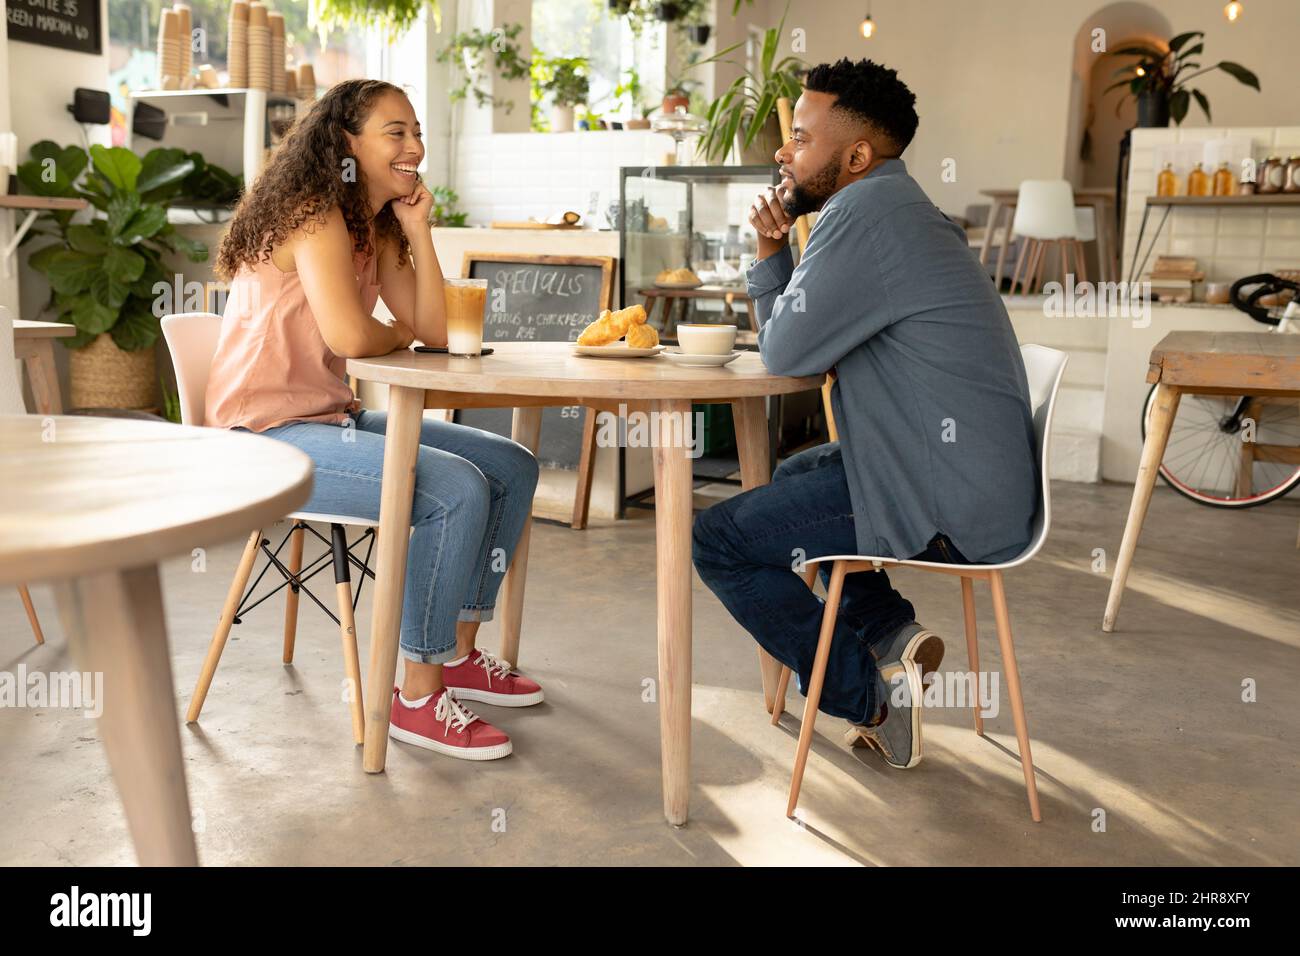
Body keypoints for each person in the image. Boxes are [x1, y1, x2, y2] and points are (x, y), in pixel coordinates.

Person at [692, 59, 1038, 769]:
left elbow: (789, 352)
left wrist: (766, 249)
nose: (784, 152)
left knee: (720, 541)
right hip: (970, 481)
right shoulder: (896, 206)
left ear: (856, 156)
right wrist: (779, 250)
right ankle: (888, 632)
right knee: (800, 470)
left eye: (799, 137)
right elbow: (806, 346)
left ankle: (874, 700)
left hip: (950, 502)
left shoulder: (862, 213)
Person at [206, 79, 541, 762]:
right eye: (396, 132)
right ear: (346, 143)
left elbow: (434, 331)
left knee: (509, 465)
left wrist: (419, 230)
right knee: (455, 490)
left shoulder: (376, 225)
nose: (415, 146)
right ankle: (417, 695)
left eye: (417, 131)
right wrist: (386, 331)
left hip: (328, 420)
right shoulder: (315, 216)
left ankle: (456, 655)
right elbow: (358, 338)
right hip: (261, 439)